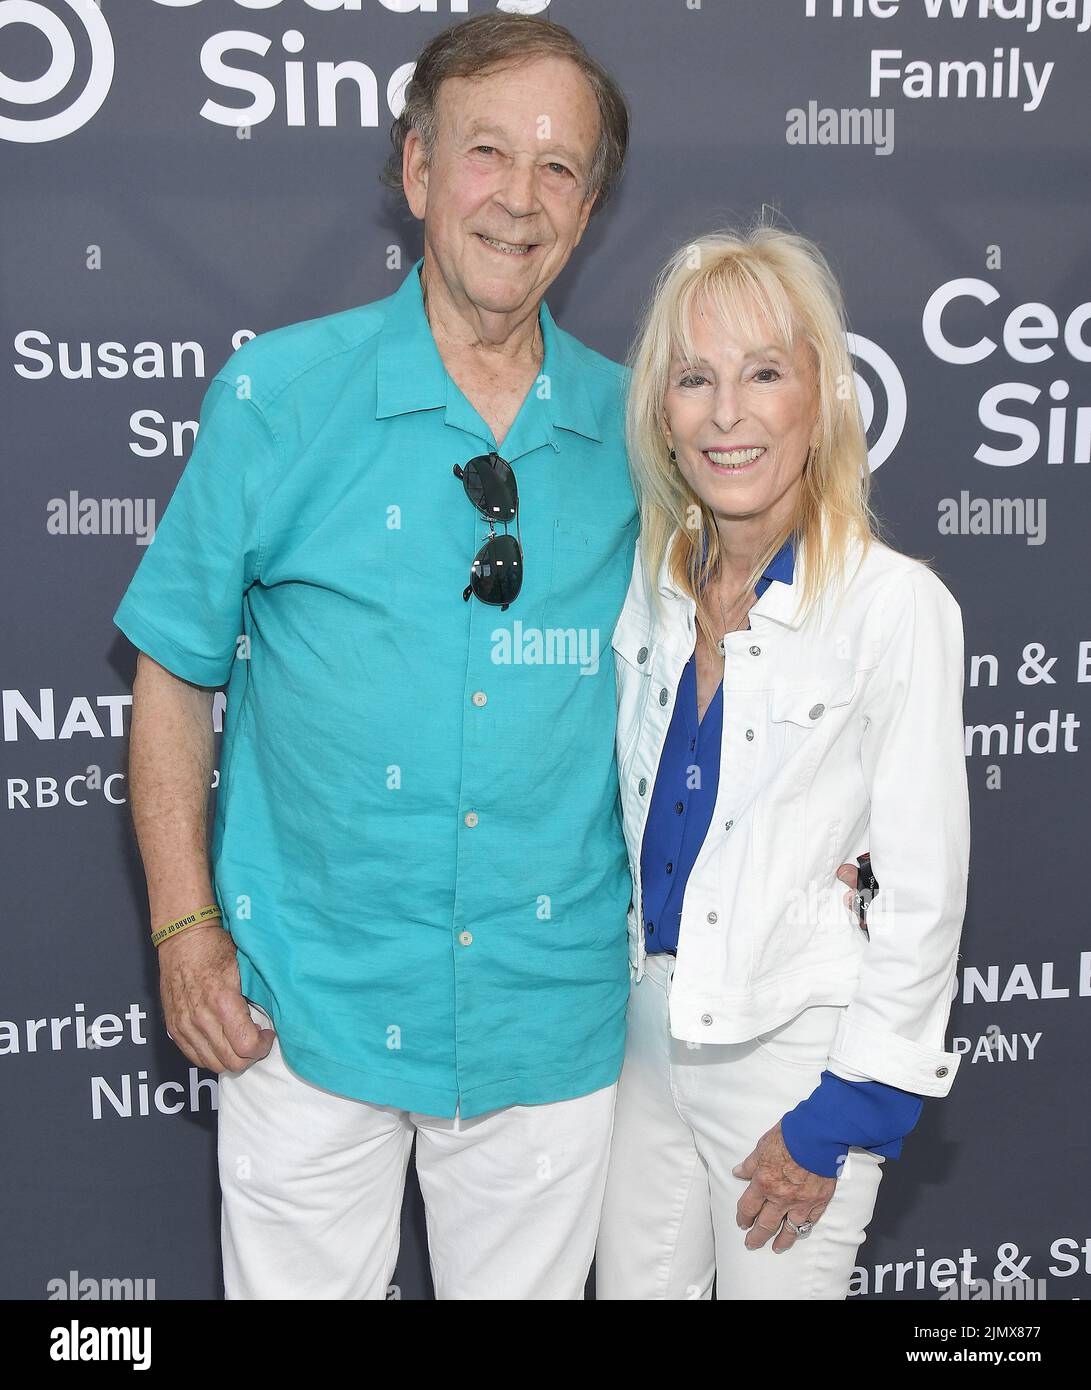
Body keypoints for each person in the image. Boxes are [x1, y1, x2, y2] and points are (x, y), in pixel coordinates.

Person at [112, 12, 864, 1300]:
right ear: (414, 170)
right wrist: (185, 928)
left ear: (589, 208)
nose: (519, 198)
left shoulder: (650, 433)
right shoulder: (274, 398)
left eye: (559, 167)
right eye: (485, 154)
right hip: (299, 1013)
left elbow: (766, 652)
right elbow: (177, 672)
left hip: (548, 1023)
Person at [594, 225, 971, 1300]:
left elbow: (922, 893)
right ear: (661, 418)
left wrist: (843, 1112)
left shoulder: (891, 604)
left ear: (821, 400)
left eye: (764, 373)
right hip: (644, 1041)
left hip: (793, 1068)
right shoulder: (652, 582)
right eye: (694, 379)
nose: (727, 413)